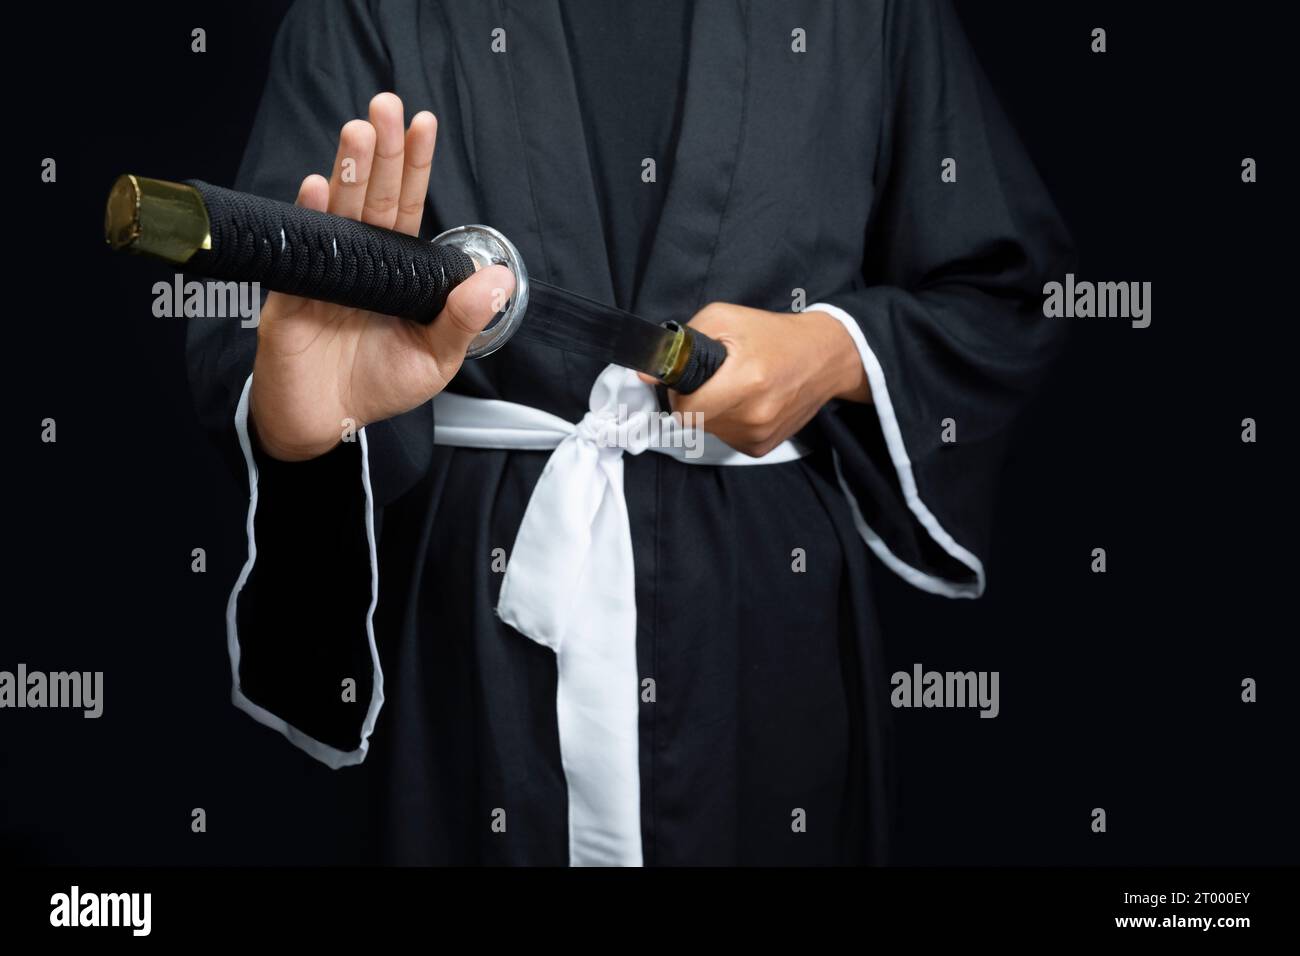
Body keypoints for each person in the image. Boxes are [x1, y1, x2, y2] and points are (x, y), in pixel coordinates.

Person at [187, 0, 1074, 865]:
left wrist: (832, 349)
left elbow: (1001, 289)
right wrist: (303, 424)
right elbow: (269, 323)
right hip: (475, 628)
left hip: (766, 627)